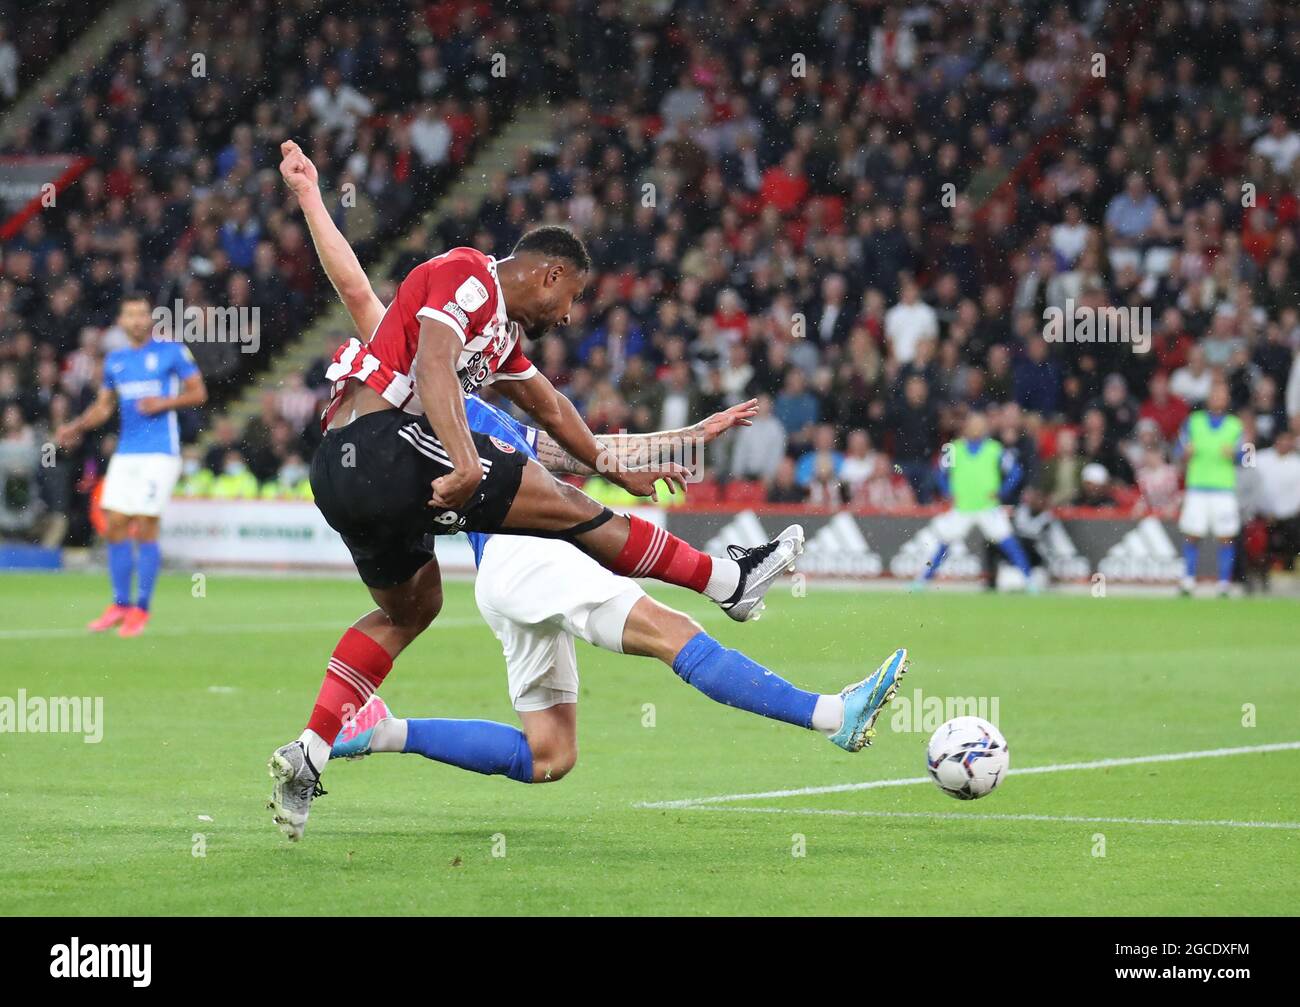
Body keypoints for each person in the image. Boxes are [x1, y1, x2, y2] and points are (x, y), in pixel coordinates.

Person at [269, 142, 805, 839]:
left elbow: (551, 409)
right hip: (381, 448)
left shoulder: (488, 343)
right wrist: (465, 460)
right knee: (573, 512)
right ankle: (727, 579)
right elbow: (431, 363)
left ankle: (309, 750)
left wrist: (620, 463)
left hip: (341, 478)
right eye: (574, 295)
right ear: (550, 273)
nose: (571, 313)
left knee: (412, 609)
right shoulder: (466, 276)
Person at [55, 293, 208, 636]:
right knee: (115, 524)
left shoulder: (171, 351)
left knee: (145, 523)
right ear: (122, 322)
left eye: (142, 314)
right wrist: (75, 427)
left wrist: (164, 403)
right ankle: (120, 603)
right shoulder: (116, 361)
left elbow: (199, 393)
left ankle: (142, 608)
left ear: (150, 319)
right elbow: (104, 407)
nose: (137, 320)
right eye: (130, 315)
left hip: (160, 452)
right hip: (127, 451)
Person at [915, 411, 1034, 589]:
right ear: (966, 427)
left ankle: (1029, 580)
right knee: (943, 545)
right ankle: (923, 581)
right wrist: (947, 491)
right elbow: (939, 472)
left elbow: (1016, 472)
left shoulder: (995, 449)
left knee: (1010, 543)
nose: (976, 429)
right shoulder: (953, 448)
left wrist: (1002, 492)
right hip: (962, 507)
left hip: (988, 507)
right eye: (973, 425)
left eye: (979, 425)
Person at [1176, 381, 1243, 597]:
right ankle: (1188, 580)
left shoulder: (1235, 426)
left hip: (1223, 489)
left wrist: (1236, 455)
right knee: (1192, 535)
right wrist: (1185, 452)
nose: (1218, 398)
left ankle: (1223, 583)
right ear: (1208, 397)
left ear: (1227, 399)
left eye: (1222, 394)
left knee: (1226, 536)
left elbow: (1247, 456)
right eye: (1215, 394)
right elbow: (1178, 451)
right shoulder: (1193, 422)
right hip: (1197, 487)